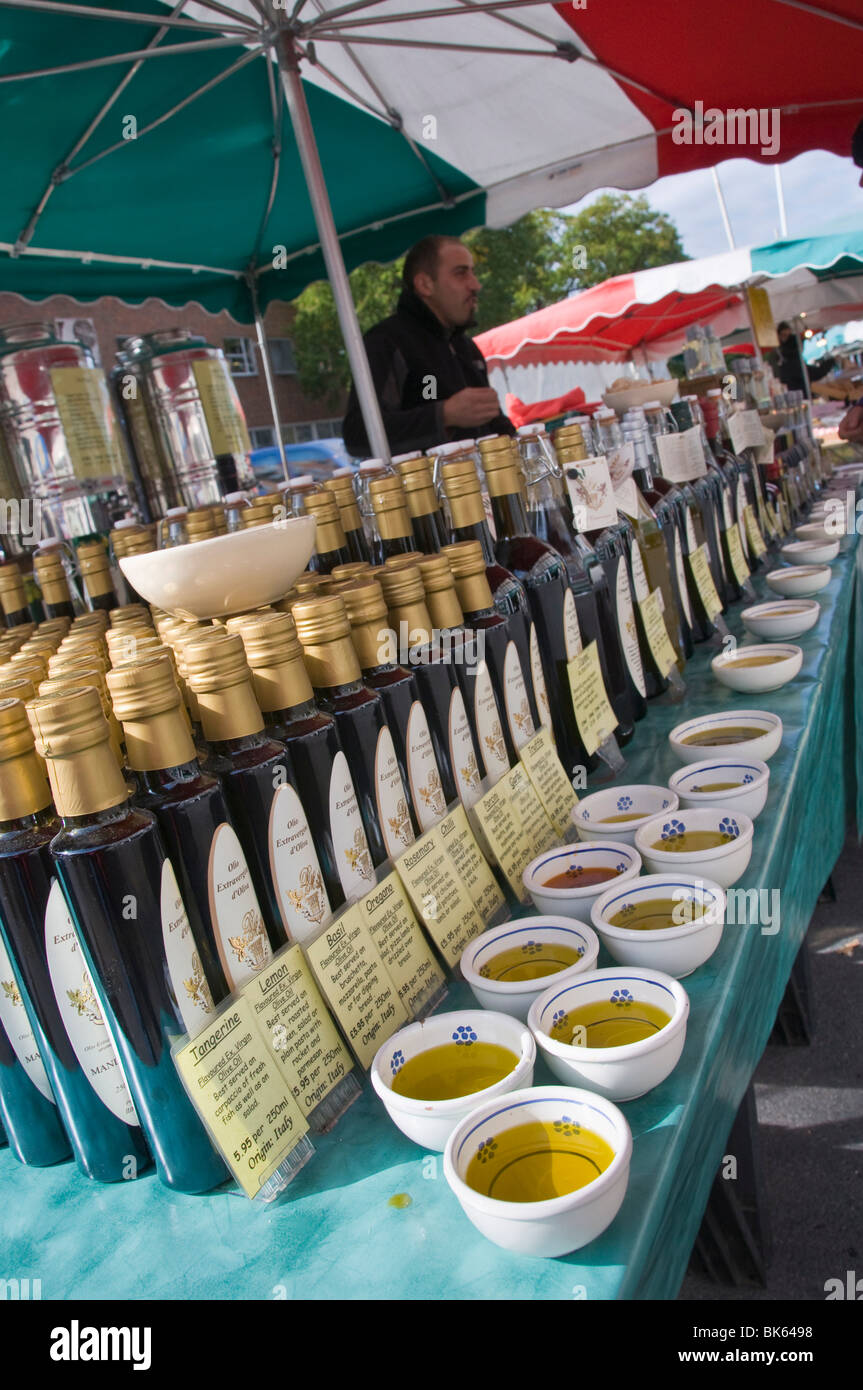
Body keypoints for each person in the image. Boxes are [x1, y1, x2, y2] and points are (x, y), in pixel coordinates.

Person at [341, 235, 514, 458]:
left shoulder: (465, 347)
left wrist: (524, 443)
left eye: (473, 272)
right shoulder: (387, 341)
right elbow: (358, 435)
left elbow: (493, 422)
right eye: (461, 273)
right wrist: (443, 416)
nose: (475, 284)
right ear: (425, 284)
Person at [773, 320, 834, 393]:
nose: (784, 338)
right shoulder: (791, 361)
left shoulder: (785, 361)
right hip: (800, 391)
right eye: (783, 335)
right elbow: (817, 373)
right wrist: (831, 361)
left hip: (796, 390)